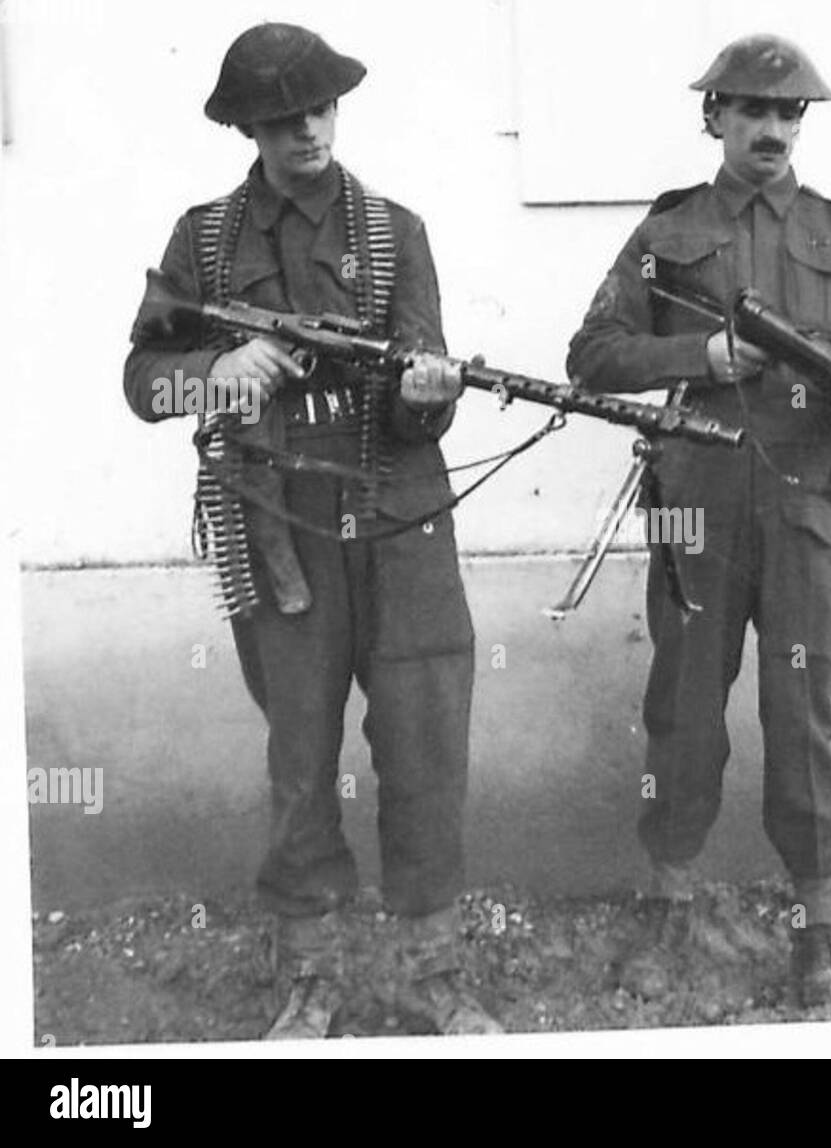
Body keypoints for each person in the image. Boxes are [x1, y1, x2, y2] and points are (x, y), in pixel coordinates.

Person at [124, 22, 498, 1038]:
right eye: (282, 117)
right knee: (301, 754)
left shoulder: (393, 231)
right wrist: (212, 372)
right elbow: (141, 377)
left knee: (425, 746)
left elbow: (432, 388)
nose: (307, 132)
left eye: (320, 109)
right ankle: (308, 977)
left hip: (400, 514)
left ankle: (431, 976)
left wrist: (428, 392)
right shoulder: (203, 242)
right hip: (276, 522)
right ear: (247, 126)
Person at [567, 33, 831, 1009]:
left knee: (802, 717)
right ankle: (669, 901)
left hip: (810, 509)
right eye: (751, 110)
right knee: (682, 710)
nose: (771, 127)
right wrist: (700, 356)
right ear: (713, 117)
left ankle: (819, 927)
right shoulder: (666, 230)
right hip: (699, 508)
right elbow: (591, 354)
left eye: (788, 112)